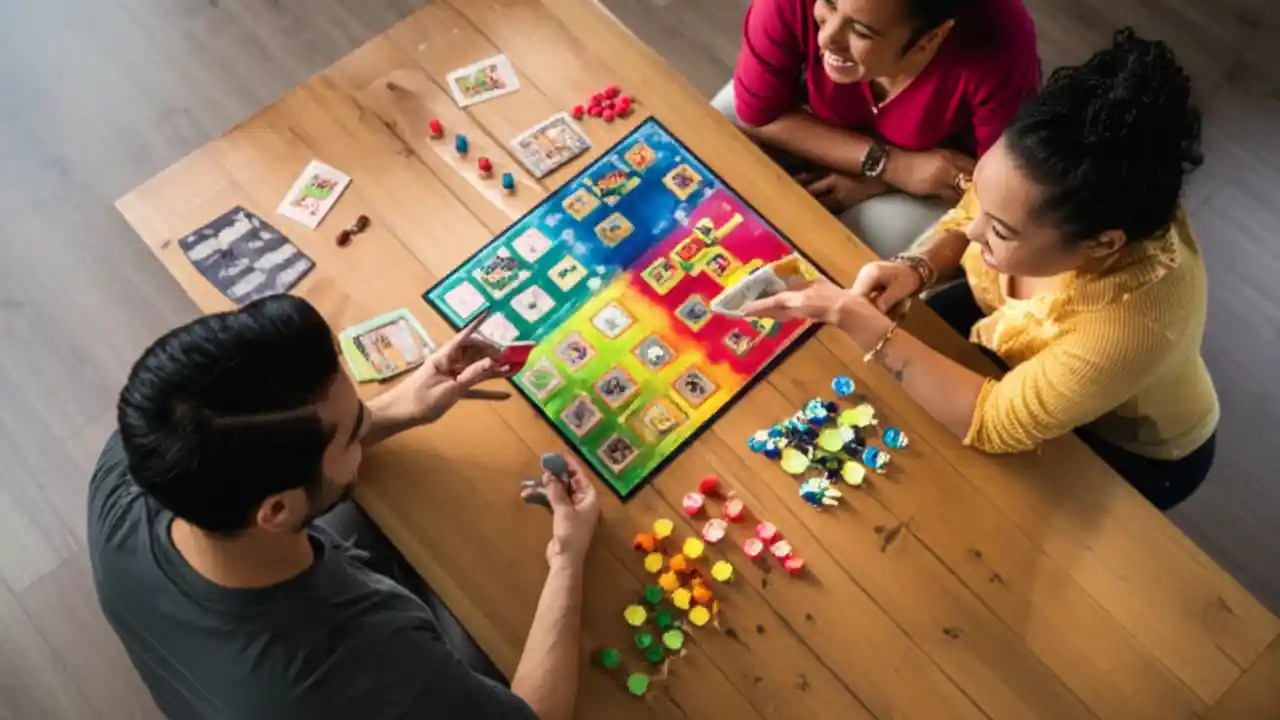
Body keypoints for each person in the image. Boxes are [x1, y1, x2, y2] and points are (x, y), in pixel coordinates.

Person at [741, 28, 1218, 510]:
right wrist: (918, 267)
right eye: (984, 197)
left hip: (1124, 444)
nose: (971, 232)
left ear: (1102, 245)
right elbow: (973, 212)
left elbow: (994, 422)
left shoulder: (1133, 325)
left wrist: (858, 321)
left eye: (1003, 231)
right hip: (1006, 330)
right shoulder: (1048, 185)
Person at [90, 295, 600, 719]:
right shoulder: (369, 665)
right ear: (276, 511)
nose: (365, 427)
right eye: (354, 431)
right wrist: (568, 556)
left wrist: (400, 407)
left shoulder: (137, 462)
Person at [713, 0, 1041, 257]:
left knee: (854, 254)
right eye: (828, 2)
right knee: (703, 150)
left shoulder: (1001, 48)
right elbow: (759, 113)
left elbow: (996, 192)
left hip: (935, 176)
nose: (826, 39)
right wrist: (886, 165)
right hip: (810, 120)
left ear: (932, 37)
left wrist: (886, 183)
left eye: (862, 31)